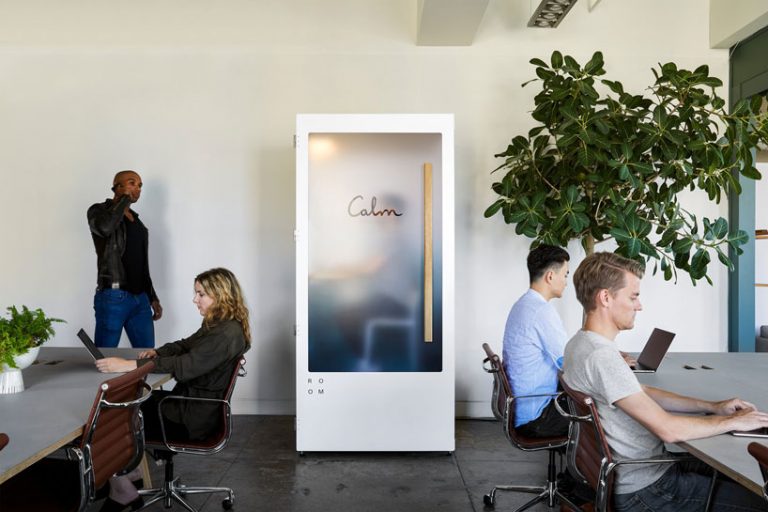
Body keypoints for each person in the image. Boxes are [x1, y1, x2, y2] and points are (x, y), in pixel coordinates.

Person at [563, 252, 768, 511]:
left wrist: (713, 406)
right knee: (761, 501)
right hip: (648, 489)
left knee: (735, 477)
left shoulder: (579, 344)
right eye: (633, 296)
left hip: (632, 475)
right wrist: (734, 422)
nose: (639, 305)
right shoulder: (602, 357)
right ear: (605, 297)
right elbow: (669, 430)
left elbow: (640, 391)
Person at [95, 267, 251, 512]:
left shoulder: (226, 333)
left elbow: (185, 366)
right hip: (190, 405)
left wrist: (131, 365)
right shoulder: (221, 325)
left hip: (192, 417)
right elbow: (185, 346)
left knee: (112, 411)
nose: (195, 299)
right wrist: (158, 352)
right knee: (131, 399)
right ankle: (129, 470)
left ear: (220, 295)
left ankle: (122, 487)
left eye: (201, 294)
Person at [87, 170, 162, 348]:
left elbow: (142, 263)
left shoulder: (138, 223)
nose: (137, 188)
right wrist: (124, 200)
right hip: (114, 296)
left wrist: (152, 296)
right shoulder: (99, 211)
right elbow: (105, 228)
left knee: (146, 357)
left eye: (140, 185)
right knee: (105, 357)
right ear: (117, 187)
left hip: (141, 299)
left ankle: (138, 378)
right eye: (132, 183)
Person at [502, 244, 571, 437]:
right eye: (565, 275)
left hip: (522, 409)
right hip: (537, 417)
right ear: (550, 276)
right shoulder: (542, 311)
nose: (566, 282)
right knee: (602, 412)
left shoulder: (523, 305)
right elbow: (568, 362)